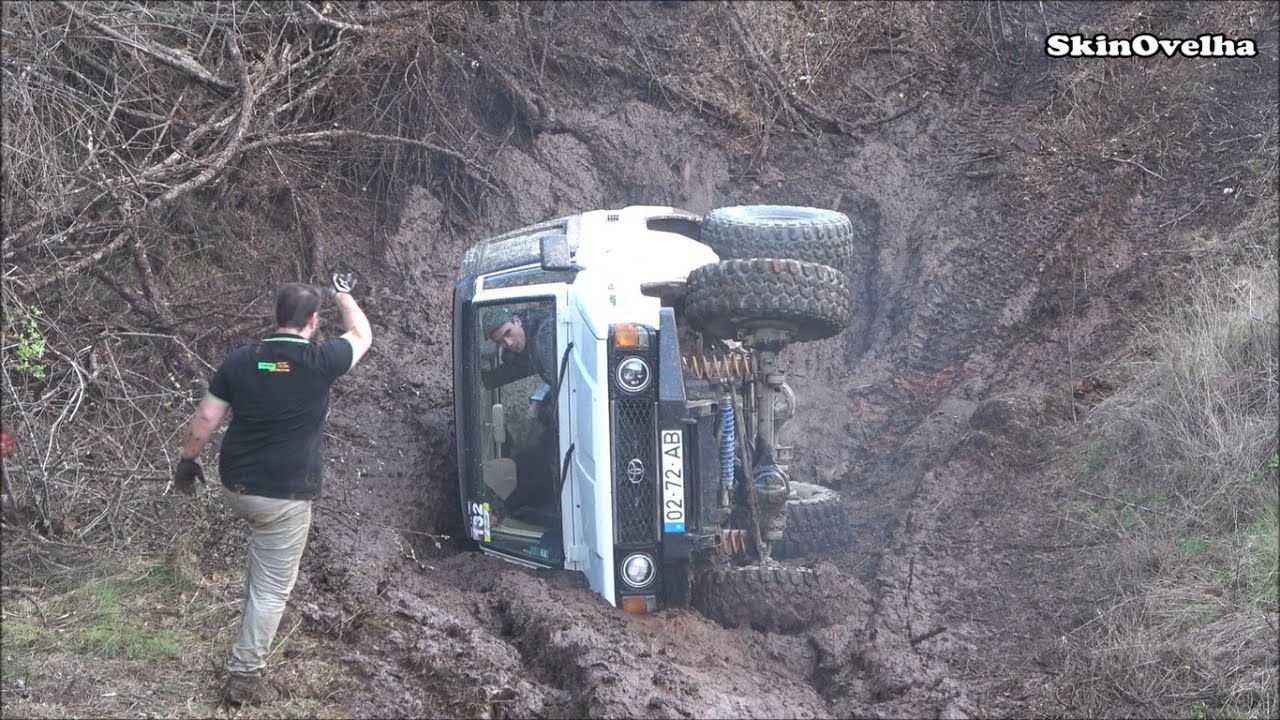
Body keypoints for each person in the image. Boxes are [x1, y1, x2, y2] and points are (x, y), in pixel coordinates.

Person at [171, 274, 371, 706]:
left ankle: (248, 639)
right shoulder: (323, 360)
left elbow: (206, 419)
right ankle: (244, 676)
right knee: (271, 590)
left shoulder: (241, 360)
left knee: (262, 575)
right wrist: (343, 295)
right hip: (284, 497)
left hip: (237, 487)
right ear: (314, 321)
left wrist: (187, 461)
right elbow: (362, 333)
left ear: (275, 316)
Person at [480, 306, 556, 389]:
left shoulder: (547, 329)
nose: (509, 343)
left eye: (508, 332)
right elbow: (490, 380)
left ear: (517, 321)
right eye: (500, 341)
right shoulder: (515, 358)